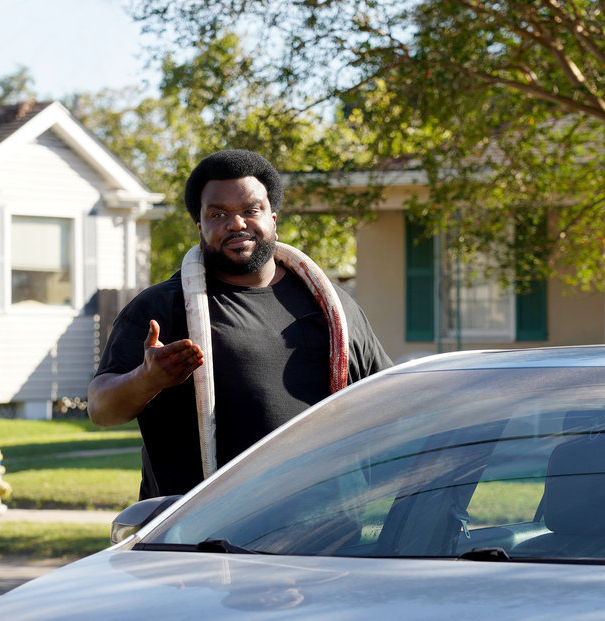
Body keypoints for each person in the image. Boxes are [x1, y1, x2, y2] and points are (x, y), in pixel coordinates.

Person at [87, 149, 392, 499]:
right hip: (203, 539)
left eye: (251, 210)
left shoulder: (333, 307)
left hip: (326, 535)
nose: (236, 223)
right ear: (200, 226)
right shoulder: (163, 307)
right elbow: (100, 410)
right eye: (218, 213)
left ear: (273, 218)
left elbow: (384, 401)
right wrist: (147, 379)